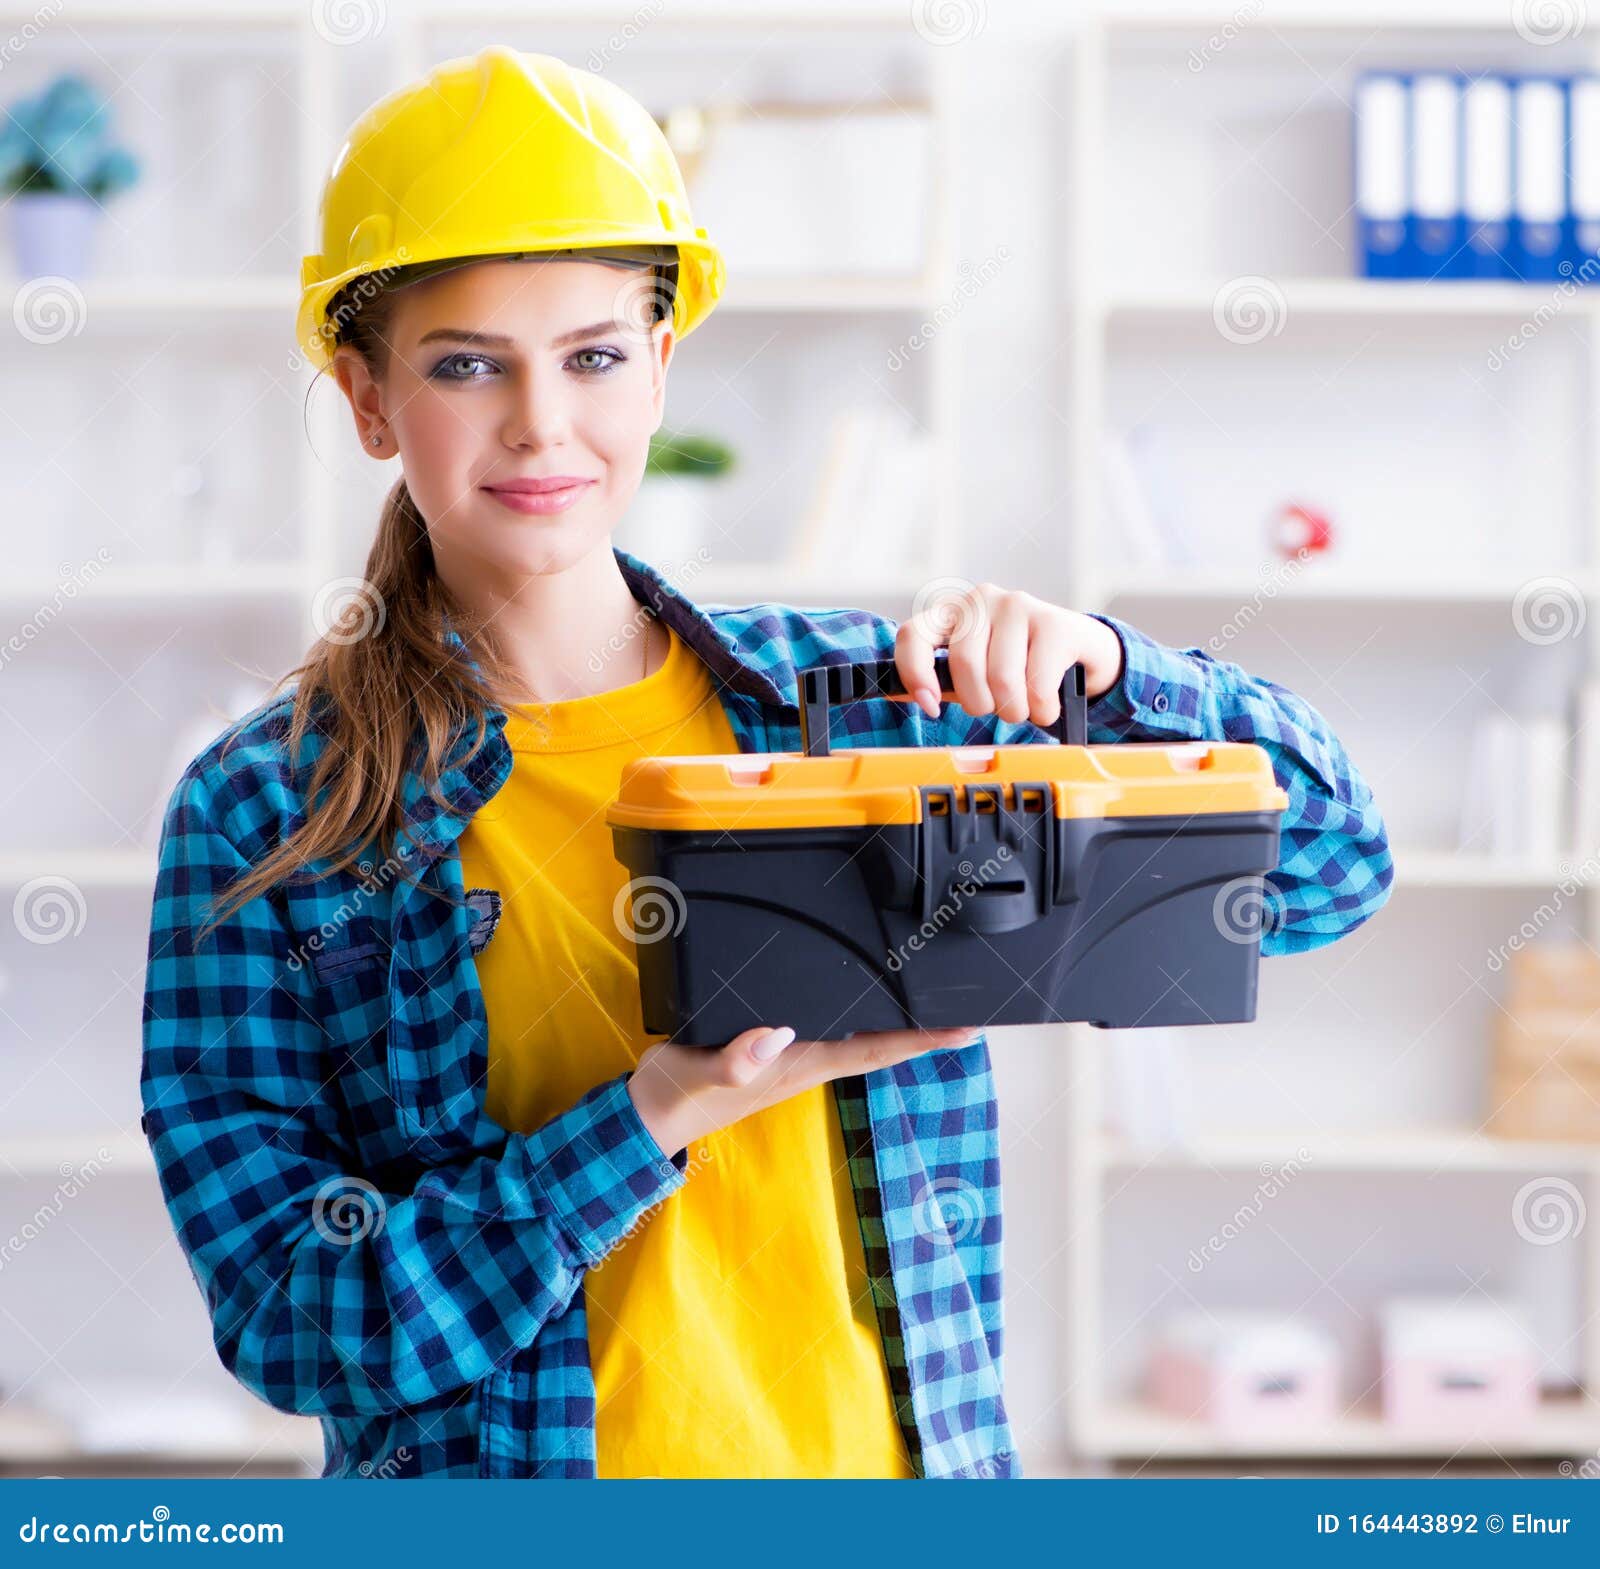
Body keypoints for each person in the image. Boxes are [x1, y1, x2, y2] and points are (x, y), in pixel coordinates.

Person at [139, 46, 1393, 1481]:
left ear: (661, 366)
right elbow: (296, 1316)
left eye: (594, 355)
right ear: (368, 401)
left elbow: (1331, 871)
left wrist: (1114, 676)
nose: (542, 422)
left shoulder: (869, 709)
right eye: (467, 364)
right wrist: (652, 1116)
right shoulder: (269, 809)